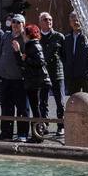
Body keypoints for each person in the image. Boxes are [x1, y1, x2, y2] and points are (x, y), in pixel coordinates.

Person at [0, 14, 29, 141]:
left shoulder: (25, 38)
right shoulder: (6, 36)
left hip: (19, 79)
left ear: (23, 25)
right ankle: (6, 133)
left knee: (22, 108)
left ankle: (22, 134)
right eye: (13, 22)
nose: (15, 24)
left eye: (18, 22)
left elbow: (27, 57)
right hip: (5, 78)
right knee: (6, 106)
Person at [38, 10, 66, 138]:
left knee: (60, 101)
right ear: (40, 22)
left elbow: (64, 56)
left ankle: (61, 126)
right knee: (43, 102)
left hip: (57, 74)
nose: (48, 21)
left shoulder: (59, 36)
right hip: (43, 75)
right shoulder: (37, 37)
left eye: (50, 19)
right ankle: (44, 125)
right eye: (45, 19)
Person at [20, 24, 49, 142]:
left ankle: (38, 135)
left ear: (28, 35)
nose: (23, 36)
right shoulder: (31, 45)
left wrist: (26, 58)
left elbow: (40, 61)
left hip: (36, 82)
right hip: (34, 81)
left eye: (24, 34)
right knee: (36, 108)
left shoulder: (33, 45)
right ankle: (38, 134)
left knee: (36, 109)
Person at [64, 11, 88, 95]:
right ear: (70, 22)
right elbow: (65, 56)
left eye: (77, 20)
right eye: (73, 20)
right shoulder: (67, 38)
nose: (76, 22)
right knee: (73, 101)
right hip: (72, 76)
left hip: (86, 76)